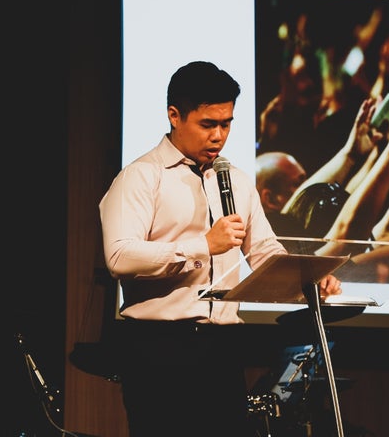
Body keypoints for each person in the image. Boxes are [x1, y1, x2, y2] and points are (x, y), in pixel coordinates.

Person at [99, 61, 341, 437]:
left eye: (226, 124)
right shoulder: (141, 177)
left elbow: (264, 251)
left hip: (222, 349)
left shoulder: (237, 181)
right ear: (174, 115)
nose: (219, 136)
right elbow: (119, 256)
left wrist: (310, 279)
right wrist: (202, 246)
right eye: (208, 124)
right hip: (159, 348)